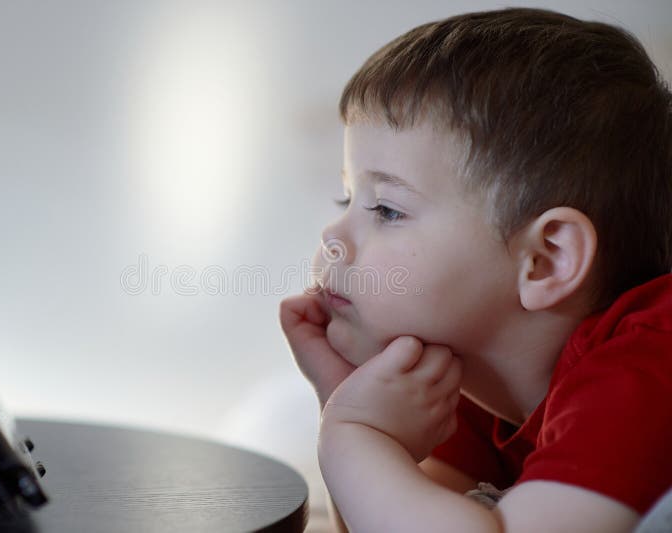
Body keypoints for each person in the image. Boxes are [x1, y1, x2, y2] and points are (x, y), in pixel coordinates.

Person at [279, 7, 672, 532]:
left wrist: (352, 434)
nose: (332, 236)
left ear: (545, 259)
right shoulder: (471, 376)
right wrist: (344, 397)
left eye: (387, 209)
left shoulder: (650, 364)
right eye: (346, 197)